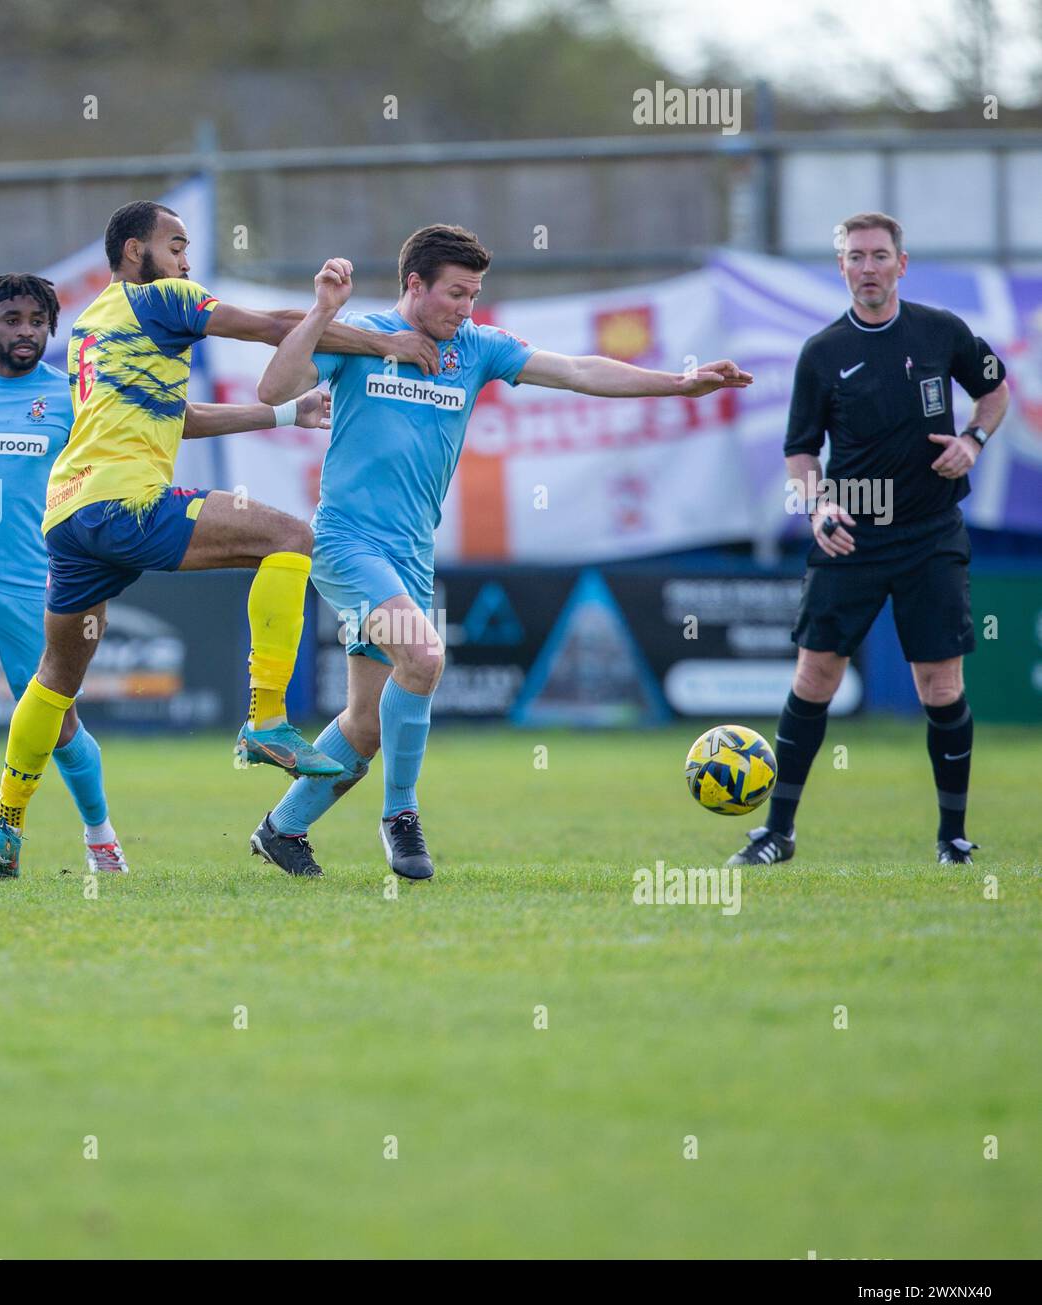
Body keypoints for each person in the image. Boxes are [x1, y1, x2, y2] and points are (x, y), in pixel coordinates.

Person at [249, 225, 752, 880]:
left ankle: (281, 830)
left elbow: (575, 371)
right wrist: (322, 312)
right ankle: (400, 814)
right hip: (347, 543)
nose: (467, 308)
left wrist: (680, 383)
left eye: (475, 295)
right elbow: (272, 389)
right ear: (415, 285)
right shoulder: (363, 336)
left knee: (367, 726)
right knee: (425, 655)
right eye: (457, 294)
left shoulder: (477, 349)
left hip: (409, 555)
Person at [0, 273, 332, 876]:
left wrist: (285, 412)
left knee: (61, 724)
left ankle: (101, 839)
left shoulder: (76, 392)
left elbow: (179, 416)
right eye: (12, 320)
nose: (25, 331)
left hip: (39, 583)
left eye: (37, 321)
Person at [0, 201, 438, 878]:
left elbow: (181, 418)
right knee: (290, 537)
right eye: (176, 244)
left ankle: (5, 826)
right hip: (125, 502)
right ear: (137, 252)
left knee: (55, 678)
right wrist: (386, 341)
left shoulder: (89, 328)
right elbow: (273, 328)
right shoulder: (164, 298)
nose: (187, 260)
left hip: (69, 516)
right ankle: (265, 718)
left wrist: (285, 411)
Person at [729, 211, 1010, 868]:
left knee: (938, 686)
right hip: (850, 537)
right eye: (855, 256)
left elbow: (996, 392)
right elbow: (800, 452)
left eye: (879, 255)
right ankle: (777, 833)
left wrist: (973, 440)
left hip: (932, 533)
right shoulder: (822, 354)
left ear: (901, 264)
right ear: (842, 268)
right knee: (816, 674)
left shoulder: (943, 332)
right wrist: (818, 507)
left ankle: (952, 839)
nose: (868, 267)